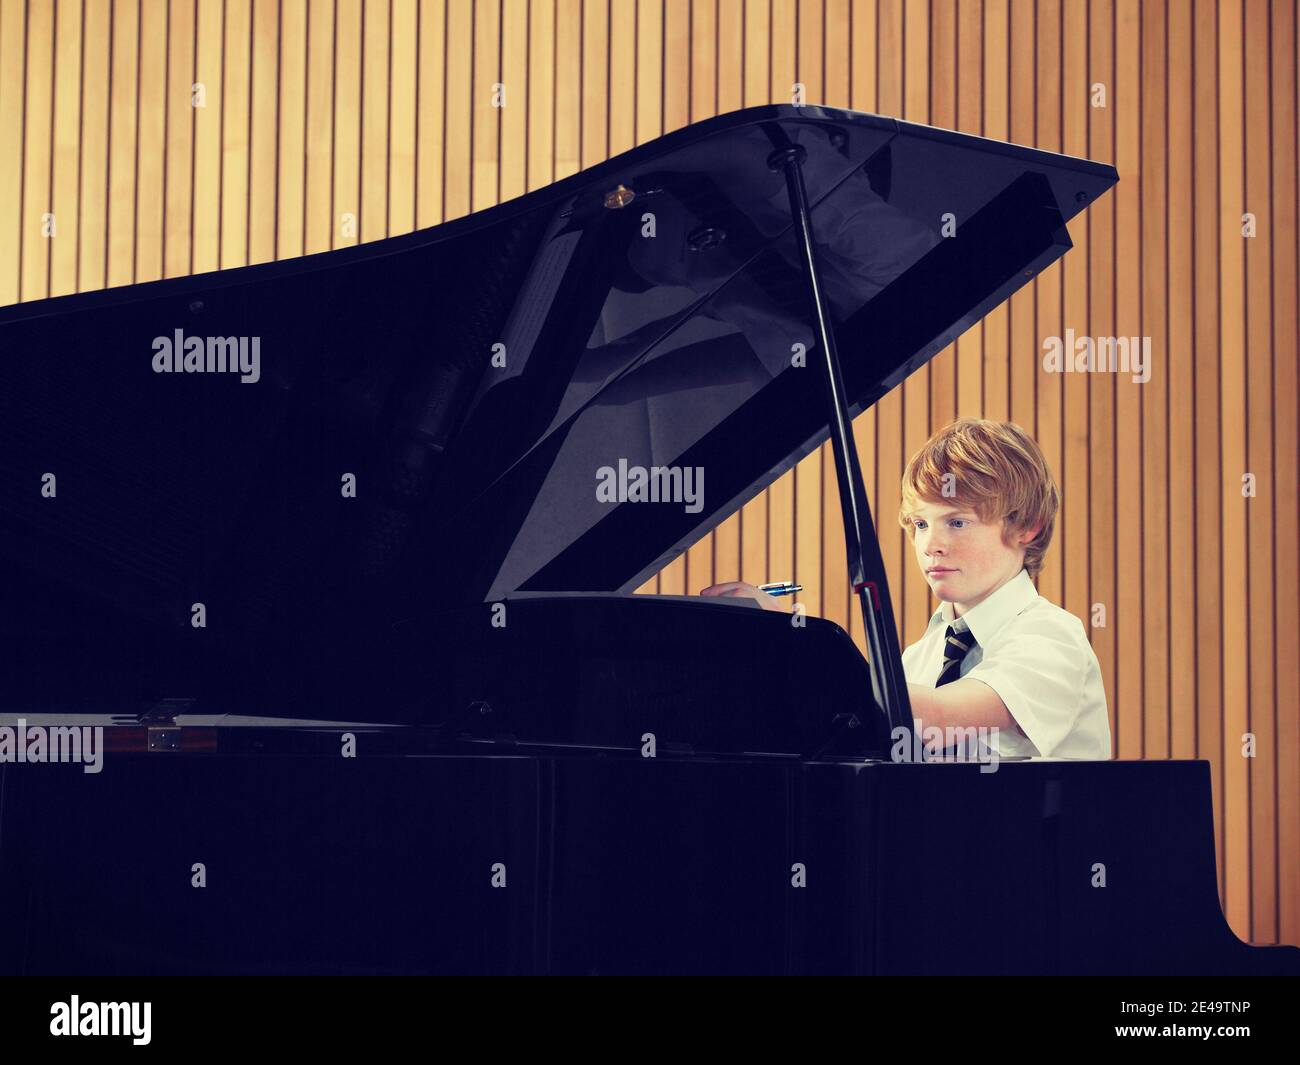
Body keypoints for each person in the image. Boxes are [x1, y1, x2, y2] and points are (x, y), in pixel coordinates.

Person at [701, 418, 1111, 760]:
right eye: (919, 524)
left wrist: (790, 641)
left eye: (956, 522)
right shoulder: (919, 658)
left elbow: (927, 720)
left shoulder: (1052, 639)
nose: (930, 544)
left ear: (1026, 527)